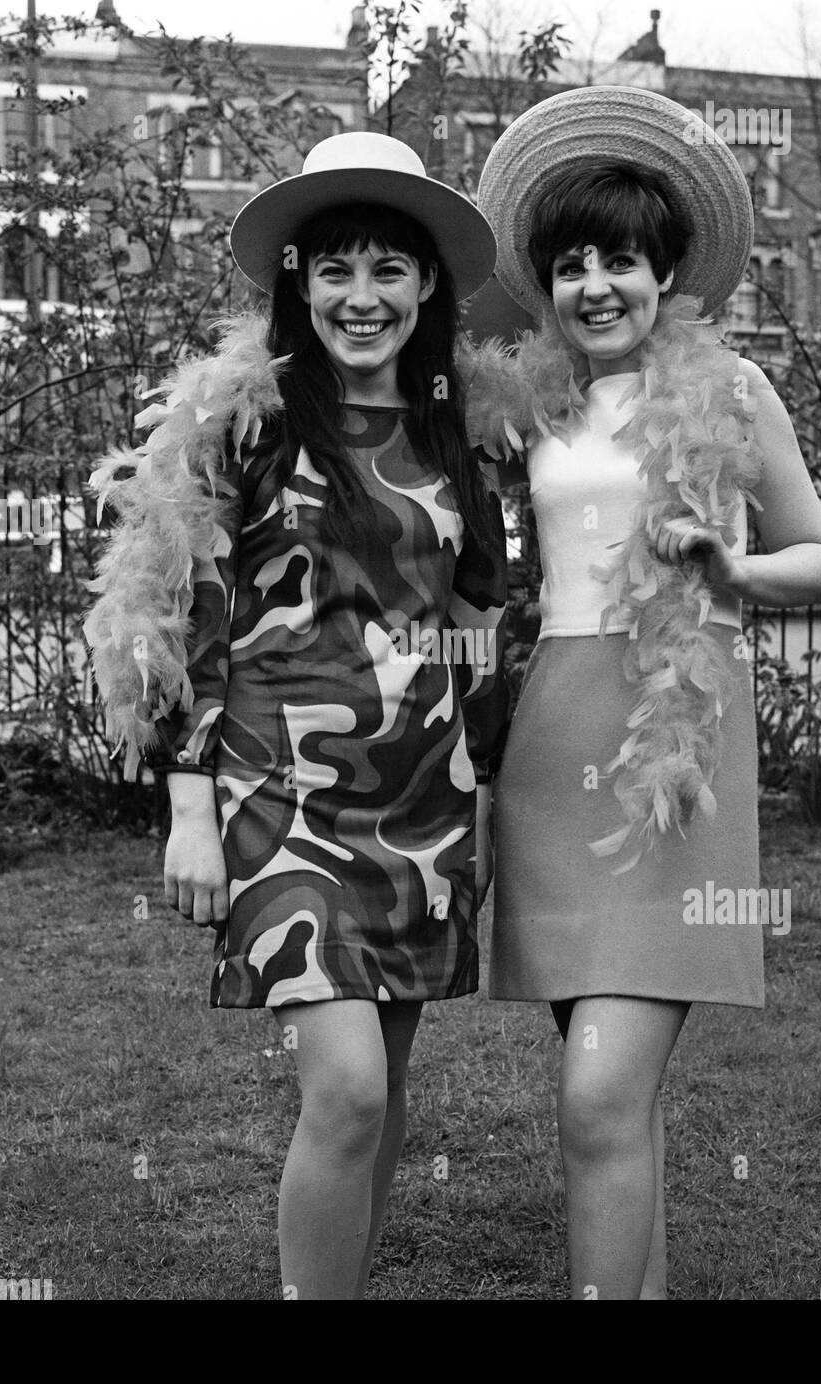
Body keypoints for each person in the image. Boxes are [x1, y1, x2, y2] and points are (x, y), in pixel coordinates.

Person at [83, 132, 506, 1299]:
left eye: (386, 270)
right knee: (350, 1088)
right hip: (280, 801)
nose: (359, 297)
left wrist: (489, 776)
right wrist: (187, 806)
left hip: (423, 807)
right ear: (298, 284)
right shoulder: (248, 429)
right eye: (334, 269)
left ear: (424, 286)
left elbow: (479, 622)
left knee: (390, 1086)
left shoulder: (455, 434)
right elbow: (187, 620)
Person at [466, 86, 821, 1300]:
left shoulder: (729, 392)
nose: (593, 286)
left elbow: (820, 556)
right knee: (605, 1098)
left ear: (662, 270)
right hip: (551, 742)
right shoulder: (532, 404)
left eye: (617, 260)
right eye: (568, 264)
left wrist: (731, 567)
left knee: (596, 1093)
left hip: (671, 743)